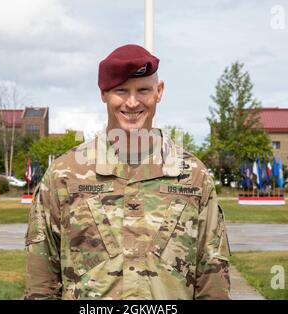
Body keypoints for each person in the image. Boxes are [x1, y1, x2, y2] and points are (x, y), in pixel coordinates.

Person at [24, 44, 231, 300]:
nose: (132, 103)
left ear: (159, 92)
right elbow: (41, 280)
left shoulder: (193, 176)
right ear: (104, 94)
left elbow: (213, 275)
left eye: (143, 90)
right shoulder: (65, 174)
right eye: (121, 91)